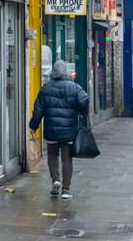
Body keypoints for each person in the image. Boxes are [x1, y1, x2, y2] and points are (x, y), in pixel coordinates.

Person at [28, 60, 89, 199]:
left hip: (51, 130)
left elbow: (37, 110)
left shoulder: (46, 88)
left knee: (52, 155)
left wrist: (33, 126)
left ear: (53, 72)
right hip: (68, 130)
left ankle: (55, 180)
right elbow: (84, 100)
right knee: (67, 158)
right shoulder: (75, 87)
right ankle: (66, 189)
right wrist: (82, 112)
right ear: (66, 72)